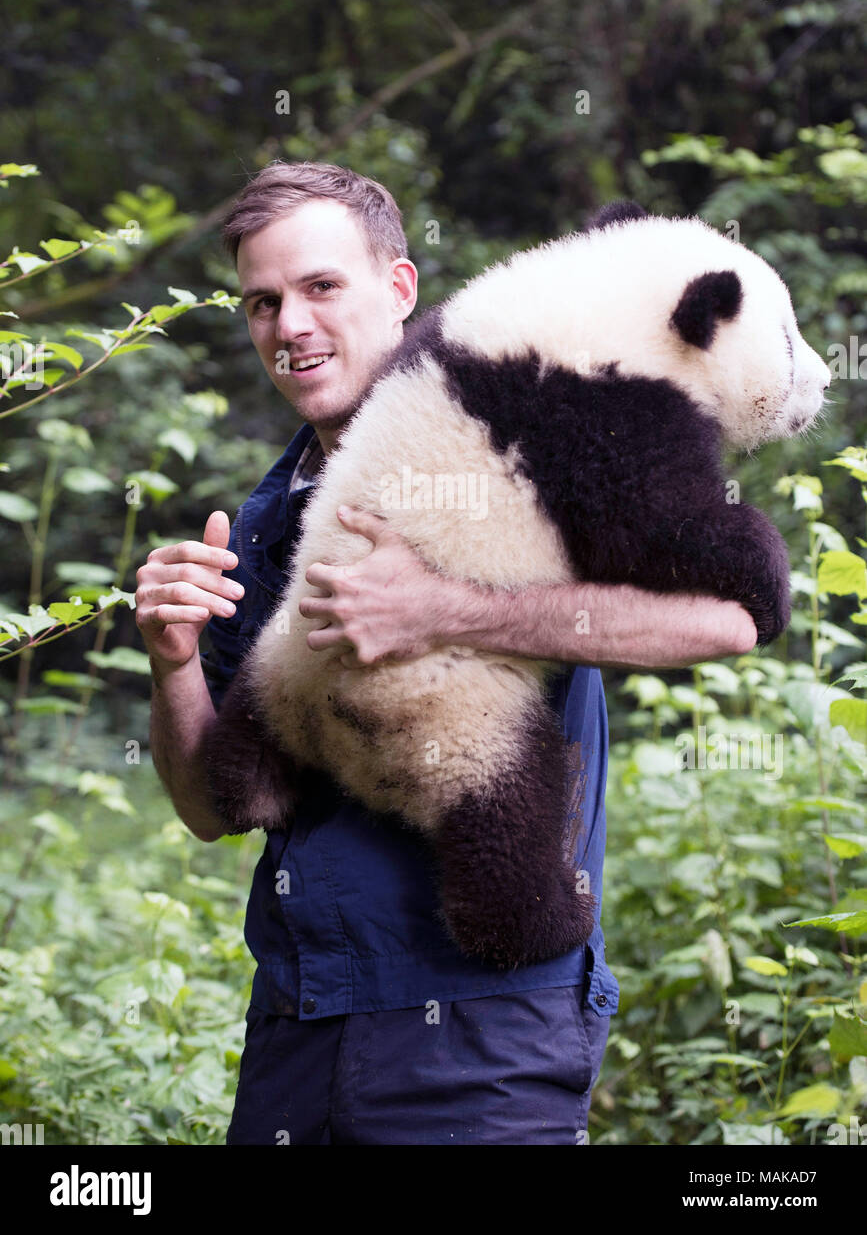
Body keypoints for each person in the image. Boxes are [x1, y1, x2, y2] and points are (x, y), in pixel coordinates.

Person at [135, 160, 757, 1145]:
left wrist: (447, 609)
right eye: (263, 301)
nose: (289, 325)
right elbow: (209, 809)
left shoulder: (527, 413)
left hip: (485, 1040)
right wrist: (170, 661)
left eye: (321, 287)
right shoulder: (263, 519)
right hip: (299, 1026)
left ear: (400, 288)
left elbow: (724, 618)